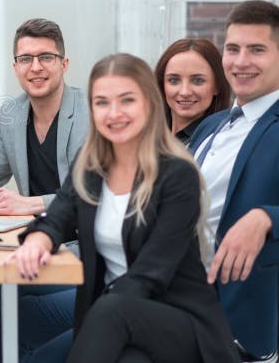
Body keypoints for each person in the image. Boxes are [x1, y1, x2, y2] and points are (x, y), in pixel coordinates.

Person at [15, 53, 238, 363]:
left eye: (126, 100)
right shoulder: (91, 165)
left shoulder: (176, 174)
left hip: (179, 321)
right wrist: (40, 239)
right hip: (116, 321)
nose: (114, 113)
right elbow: (60, 214)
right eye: (102, 102)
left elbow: (151, 274)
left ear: (148, 102)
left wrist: (102, 318)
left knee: (107, 314)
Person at [0, 18, 89, 363]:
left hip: (82, 244)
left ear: (64, 64)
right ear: (15, 67)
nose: (36, 67)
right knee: (6, 289)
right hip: (39, 241)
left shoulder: (90, 111)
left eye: (46, 57)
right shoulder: (12, 113)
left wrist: (28, 204)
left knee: (7, 291)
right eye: (25, 59)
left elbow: (91, 193)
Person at [189, 0, 279, 360]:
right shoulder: (211, 126)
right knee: (19, 315)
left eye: (256, 50)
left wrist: (267, 217)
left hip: (232, 322)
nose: (241, 62)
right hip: (170, 293)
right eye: (233, 49)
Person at [154, 38, 230, 145]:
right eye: (174, 80)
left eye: (198, 81)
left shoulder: (222, 143)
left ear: (217, 86)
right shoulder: (148, 138)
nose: (185, 92)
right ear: (162, 85)